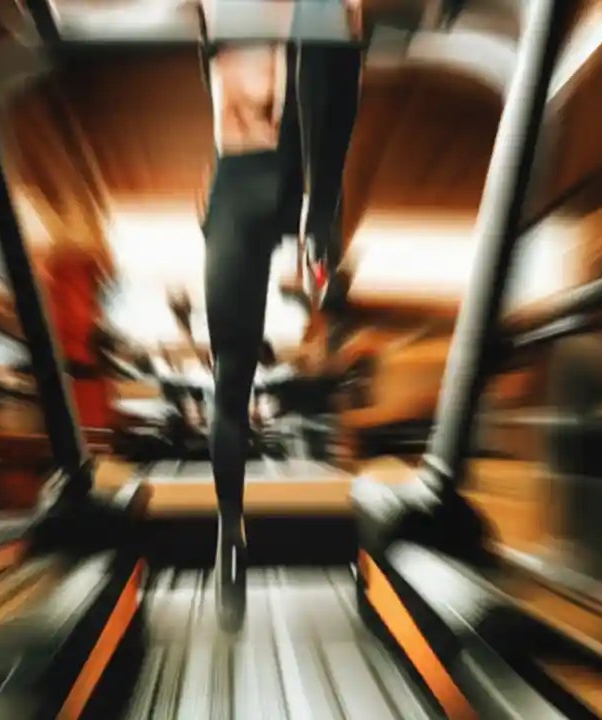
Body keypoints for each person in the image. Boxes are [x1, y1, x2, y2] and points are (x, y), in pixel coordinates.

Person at [197, 0, 365, 630]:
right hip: (240, 176)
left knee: (334, 17)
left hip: (303, 173)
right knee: (230, 375)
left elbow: (341, 85)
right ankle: (229, 531)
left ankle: (322, 225)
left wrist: (322, 212)